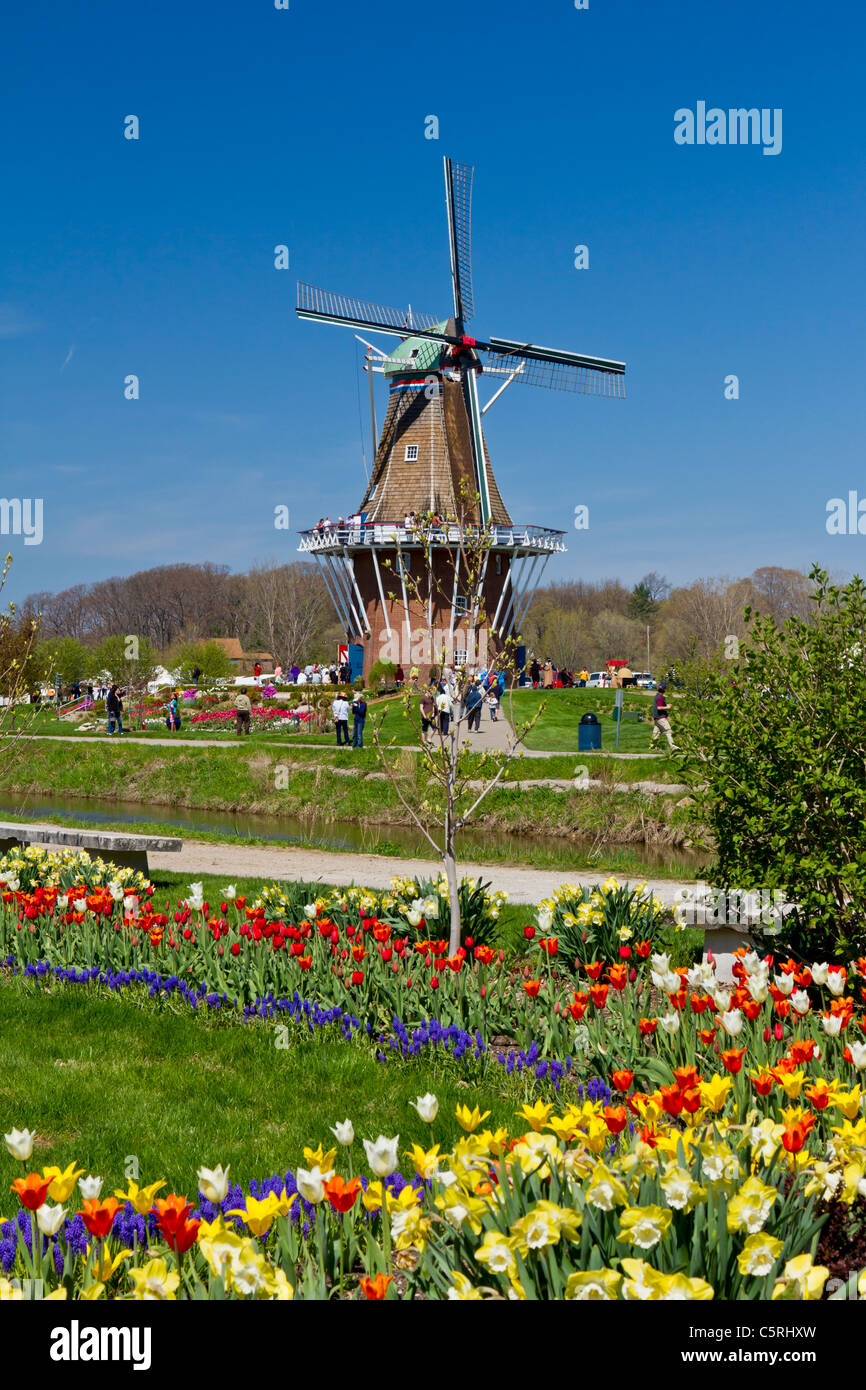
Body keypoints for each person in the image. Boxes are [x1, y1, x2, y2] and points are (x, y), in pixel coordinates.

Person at [651, 683, 677, 750]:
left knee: (656, 733)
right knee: (668, 730)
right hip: (660, 717)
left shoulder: (657, 696)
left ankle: (652, 746)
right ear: (665, 689)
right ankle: (673, 747)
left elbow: (659, 705)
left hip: (656, 717)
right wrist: (667, 707)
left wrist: (666, 705)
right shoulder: (660, 697)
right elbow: (659, 708)